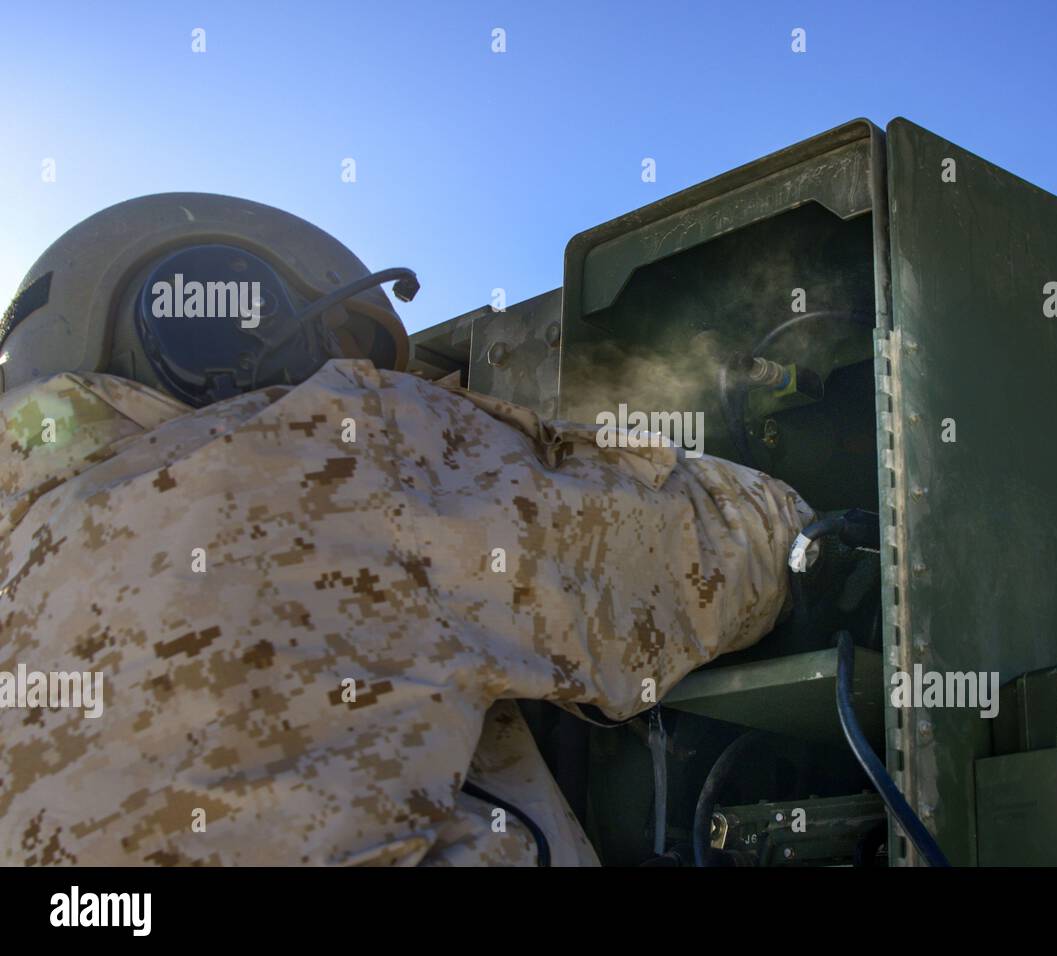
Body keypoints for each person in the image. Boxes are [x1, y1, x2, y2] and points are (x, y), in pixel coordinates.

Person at [0, 194, 812, 865]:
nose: (353, 382)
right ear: (227, 332)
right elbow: (724, 549)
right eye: (338, 350)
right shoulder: (338, 444)